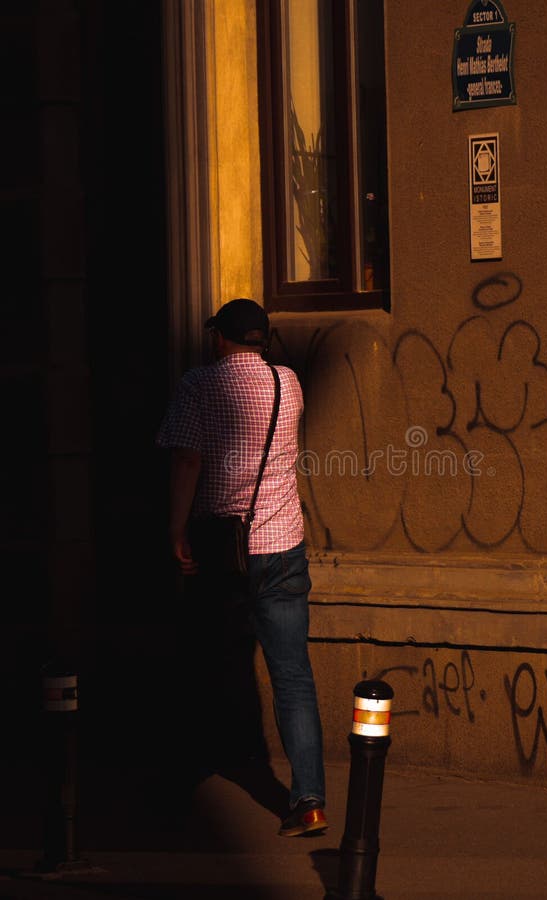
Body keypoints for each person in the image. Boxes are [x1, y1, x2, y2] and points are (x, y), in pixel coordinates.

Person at [156, 298, 327, 837]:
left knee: (203, 663)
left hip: (222, 548)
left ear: (222, 338)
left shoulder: (198, 385)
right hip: (282, 546)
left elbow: (187, 460)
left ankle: (187, 787)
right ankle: (309, 800)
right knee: (292, 675)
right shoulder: (289, 384)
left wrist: (175, 529)